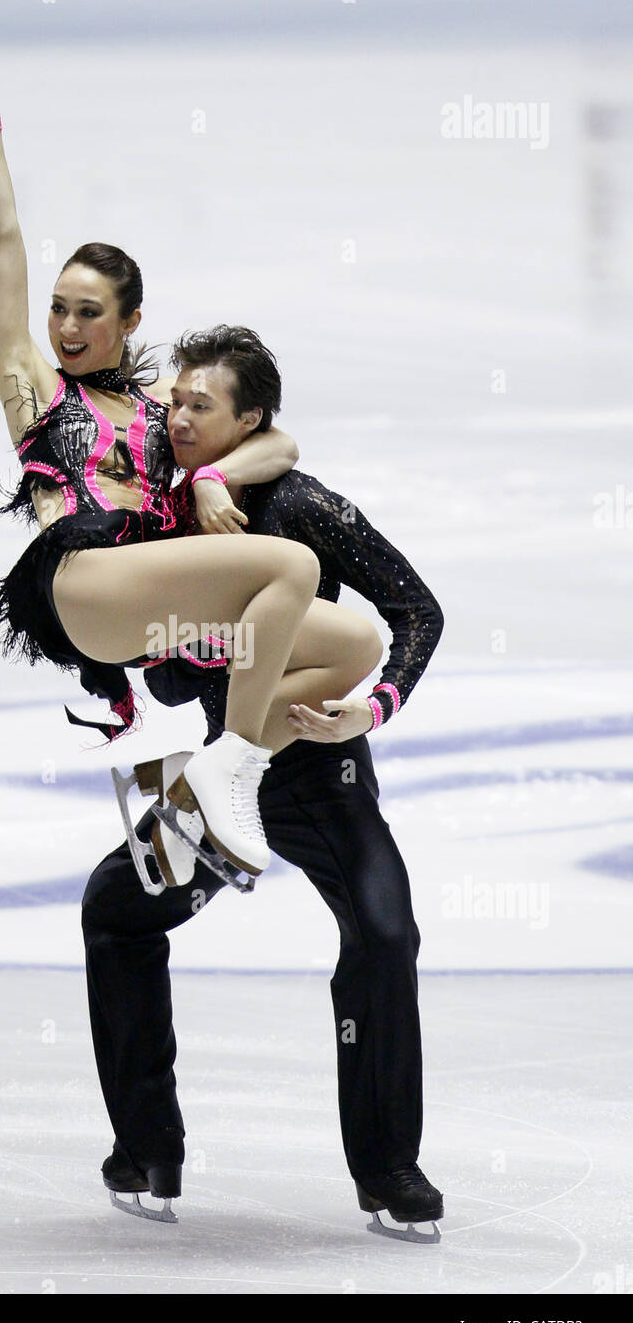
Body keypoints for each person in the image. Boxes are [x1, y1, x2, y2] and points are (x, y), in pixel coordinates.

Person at [0, 40, 383, 880]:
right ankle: (234, 763)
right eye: (58, 309)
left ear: (130, 322)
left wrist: (209, 475)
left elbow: (278, 442)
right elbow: (4, 237)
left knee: (354, 643)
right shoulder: (37, 394)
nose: (65, 327)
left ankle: (177, 794)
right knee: (291, 565)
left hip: (155, 615)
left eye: (88, 312)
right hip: (84, 585)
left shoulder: (155, 413)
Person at [83, 327, 446, 1240]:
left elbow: (416, 610)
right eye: (176, 401)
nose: (177, 417)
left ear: (249, 421)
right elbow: (169, 681)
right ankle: (147, 1149)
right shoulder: (163, 512)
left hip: (319, 775)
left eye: (201, 407)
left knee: (385, 933)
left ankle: (390, 1169)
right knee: (117, 910)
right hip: (222, 775)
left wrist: (375, 707)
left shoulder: (300, 505)